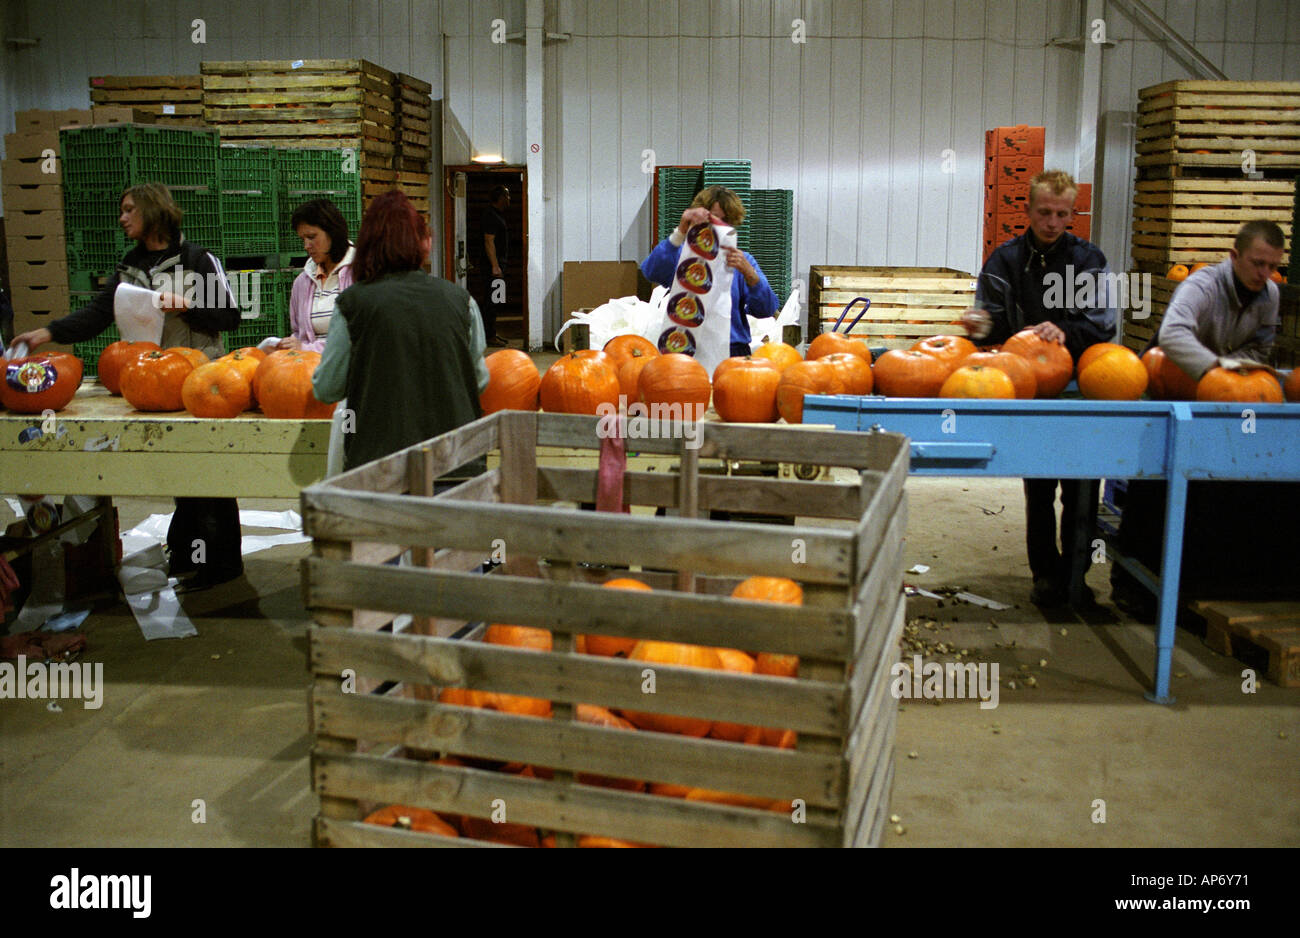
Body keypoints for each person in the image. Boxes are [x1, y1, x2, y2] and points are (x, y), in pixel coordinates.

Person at [9, 182, 244, 590]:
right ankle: (187, 553)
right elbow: (100, 313)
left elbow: (229, 315)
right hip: (152, 383)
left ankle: (221, 563)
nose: (122, 217)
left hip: (197, 380)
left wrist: (187, 306)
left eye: (129, 209)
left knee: (204, 471)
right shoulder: (131, 266)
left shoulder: (198, 261)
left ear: (153, 211)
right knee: (175, 471)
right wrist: (46, 333)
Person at [1110, 220, 1289, 620]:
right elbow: (1173, 334)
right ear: (1234, 256)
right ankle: (1129, 583)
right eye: (1257, 263)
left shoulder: (1269, 294)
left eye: (1272, 265)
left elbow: (1263, 346)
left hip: (1220, 393)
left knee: (1209, 484)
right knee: (1153, 478)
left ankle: (1192, 582)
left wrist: (1246, 372)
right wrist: (1217, 369)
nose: (1264, 273)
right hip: (1169, 378)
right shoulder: (1202, 285)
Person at [961, 169, 1117, 607]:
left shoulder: (1089, 261)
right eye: (1044, 212)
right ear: (1027, 211)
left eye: (1061, 214)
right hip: (1029, 388)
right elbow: (990, 322)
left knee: (1083, 487)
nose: (1052, 222)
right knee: (1040, 486)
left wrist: (1063, 328)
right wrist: (979, 327)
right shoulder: (1004, 261)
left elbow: (1104, 323)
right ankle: (1045, 576)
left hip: (1081, 387)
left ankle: (1077, 577)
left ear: (1073, 215)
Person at [312, 191, 489, 474]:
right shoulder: (461, 300)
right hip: (458, 465)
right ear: (424, 244)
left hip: (380, 470)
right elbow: (478, 379)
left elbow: (327, 387)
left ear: (366, 246)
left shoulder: (351, 304)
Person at [641, 185, 779, 358]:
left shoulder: (742, 261)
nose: (718, 227)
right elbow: (650, 271)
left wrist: (751, 275)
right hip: (687, 348)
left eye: (725, 221)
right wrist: (680, 232)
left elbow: (767, 309)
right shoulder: (681, 256)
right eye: (712, 220)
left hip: (732, 350)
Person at [281, 199, 354, 352]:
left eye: (312, 237)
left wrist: (308, 349)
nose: (306, 246)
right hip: (311, 371)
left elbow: (359, 335)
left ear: (333, 232)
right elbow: (298, 332)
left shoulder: (361, 273)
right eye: (303, 239)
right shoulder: (301, 283)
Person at [472, 185, 511, 348]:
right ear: (501, 197)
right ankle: (488, 335)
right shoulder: (490, 215)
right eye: (507, 196)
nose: (509, 199)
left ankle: (492, 333)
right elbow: (489, 241)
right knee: (491, 302)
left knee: (497, 300)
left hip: (499, 266)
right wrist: (495, 266)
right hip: (492, 269)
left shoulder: (498, 215)